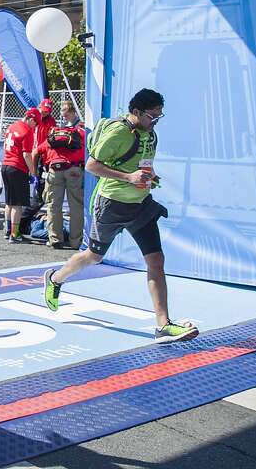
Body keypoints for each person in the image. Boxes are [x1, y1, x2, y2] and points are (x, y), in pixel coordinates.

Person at [43, 88, 198, 344]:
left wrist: (149, 176)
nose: (155, 122)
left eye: (159, 117)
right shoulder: (118, 133)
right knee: (93, 257)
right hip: (112, 205)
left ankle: (163, 325)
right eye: (151, 117)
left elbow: (141, 164)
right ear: (136, 112)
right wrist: (129, 177)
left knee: (156, 260)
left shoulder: (150, 135)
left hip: (140, 205)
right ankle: (55, 278)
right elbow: (92, 165)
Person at [41, 100, 86, 250]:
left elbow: (41, 149)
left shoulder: (56, 131)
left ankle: (55, 238)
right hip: (74, 169)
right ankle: (76, 241)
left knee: (53, 205)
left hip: (55, 168)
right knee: (76, 206)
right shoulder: (82, 130)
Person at [1, 108, 38, 243]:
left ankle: (7, 230)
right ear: (31, 119)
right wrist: (33, 172)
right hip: (17, 168)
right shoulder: (27, 131)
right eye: (36, 123)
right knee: (17, 204)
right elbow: (26, 155)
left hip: (5, 165)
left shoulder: (12, 126)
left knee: (9, 202)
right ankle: (15, 234)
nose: (36, 126)